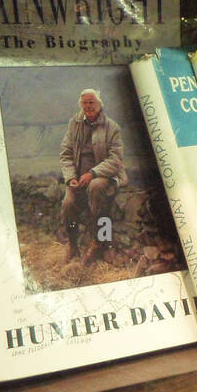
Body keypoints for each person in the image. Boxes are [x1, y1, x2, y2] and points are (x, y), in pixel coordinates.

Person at [59, 88, 127, 265]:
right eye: (84, 103)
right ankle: (73, 244)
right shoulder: (74, 124)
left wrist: (93, 173)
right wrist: (70, 177)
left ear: (99, 105)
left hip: (105, 175)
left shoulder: (112, 127)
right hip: (79, 178)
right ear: (80, 105)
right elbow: (65, 154)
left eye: (91, 102)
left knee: (96, 187)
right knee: (67, 204)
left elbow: (116, 159)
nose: (87, 106)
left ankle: (100, 241)